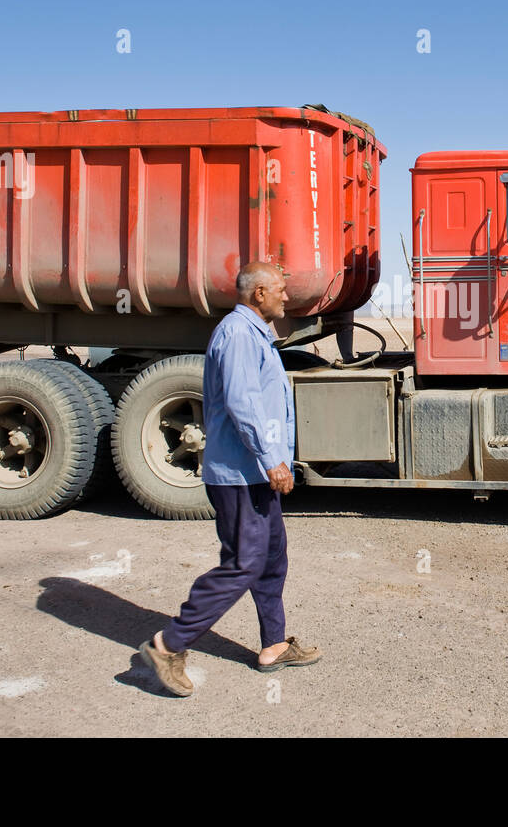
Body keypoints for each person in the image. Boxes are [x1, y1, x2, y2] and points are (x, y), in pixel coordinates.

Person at [139, 261, 320, 696]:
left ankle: (274, 645)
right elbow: (243, 404)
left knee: (272, 556)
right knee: (245, 561)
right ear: (258, 293)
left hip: (256, 470)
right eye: (279, 289)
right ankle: (169, 644)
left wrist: (275, 459)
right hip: (241, 473)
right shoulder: (239, 334)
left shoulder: (255, 333)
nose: (285, 296)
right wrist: (270, 459)